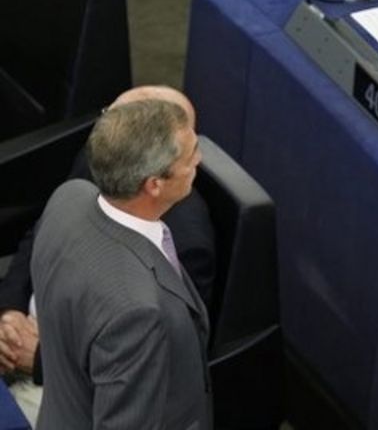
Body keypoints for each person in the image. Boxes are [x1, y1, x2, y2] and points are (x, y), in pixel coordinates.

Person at [0, 86, 216, 425]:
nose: (200, 161)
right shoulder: (138, 311)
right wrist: (9, 314)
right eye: (191, 156)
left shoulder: (68, 197)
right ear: (154, 184)